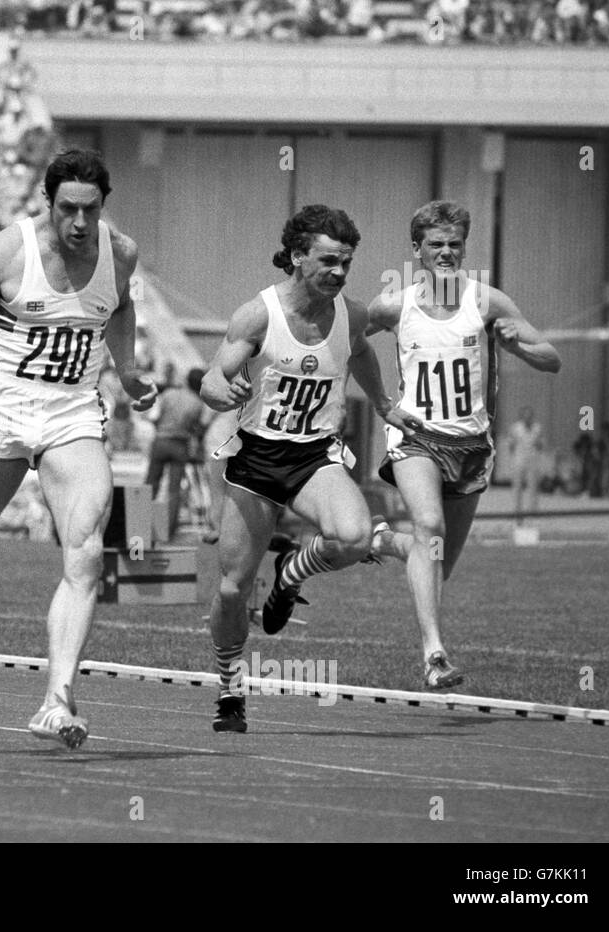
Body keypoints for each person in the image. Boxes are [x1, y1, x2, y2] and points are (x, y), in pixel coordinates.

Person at [0, 149, 156, 749]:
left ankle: (57, 700)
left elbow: (122, 307)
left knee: (85, 553)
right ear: (48, 202)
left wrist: (129, 371)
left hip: (73, 413)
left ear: (103, 206)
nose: (80, 223)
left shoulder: (122, 253)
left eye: (91, 209)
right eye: (68, 209)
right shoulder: (7, 253)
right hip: (3, 407)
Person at [200, 204, 419, 733]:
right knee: (232, 587)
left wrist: (385, 403)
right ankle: (230, 687)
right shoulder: (258, 315)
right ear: (297, 257)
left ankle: (292, 571)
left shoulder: (352, 314)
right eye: (328, 261)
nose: (339, 273)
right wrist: (220, 390)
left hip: (313, 455)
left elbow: (362, 352)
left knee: (353, 536)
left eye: (346, 263)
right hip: (255, 457)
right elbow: (211, 378)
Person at [368, 200, 561, 689]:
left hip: (471, 447)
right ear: (417, 250)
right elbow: (344, 339)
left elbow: (551, 358)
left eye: (455, 244)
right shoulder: (394, 305)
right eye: (436, 244)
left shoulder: (488, 301)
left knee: (438, 565)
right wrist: (381, 400)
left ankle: (383, 540)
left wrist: (519, 344)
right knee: (428, 525)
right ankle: (434, 654)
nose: (447, 252)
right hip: (416, 438)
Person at [144, 367, 207, 540]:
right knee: (174, 490)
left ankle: (140, 527)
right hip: (180, 445)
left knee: (150, 485)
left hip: (161, 441)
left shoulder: (169, 394)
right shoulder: (197, 403)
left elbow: (153, 417)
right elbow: (198, 428)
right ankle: (168, 532)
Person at [506, 406, 543, 522]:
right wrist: (513, 459)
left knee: (533, 487)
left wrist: (537, 445)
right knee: (517, 488)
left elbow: (540, 445)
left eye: (530, 415)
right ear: (522, 416)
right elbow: (511, 445)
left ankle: (533, 512)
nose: (528, 418)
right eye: (525, 415)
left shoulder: (537, 428)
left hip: (532, 460)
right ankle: (517, 513)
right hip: (519, 460)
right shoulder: (516, 428)